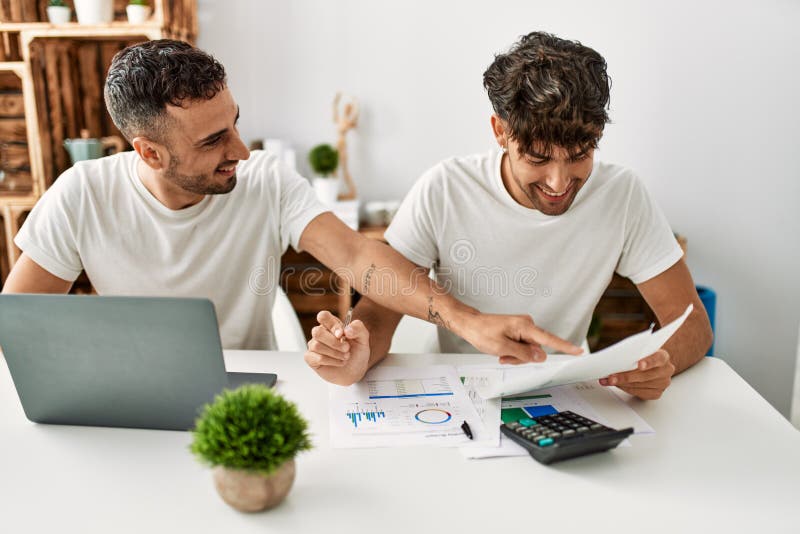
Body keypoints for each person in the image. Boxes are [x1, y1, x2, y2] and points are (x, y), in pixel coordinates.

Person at [1, 39, 580, 363]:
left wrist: (467, 321)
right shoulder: (82, 194)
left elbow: (358, 259)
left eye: (234, 123)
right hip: (129, 400)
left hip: (247, 385)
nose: (240, 149)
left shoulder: (266, 182)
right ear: (149, 153)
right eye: (212, 141)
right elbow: (20, 322)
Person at [304, 32, 713, 399]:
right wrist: (355, 355)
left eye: (580, 156)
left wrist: (661, 361)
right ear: (500, 131)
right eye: (537, 158)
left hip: (569, 391)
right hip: (461, 391)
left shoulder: (622, 196)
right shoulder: (445, 188)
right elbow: (378, 312)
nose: (558, 182)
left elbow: (692, 325)